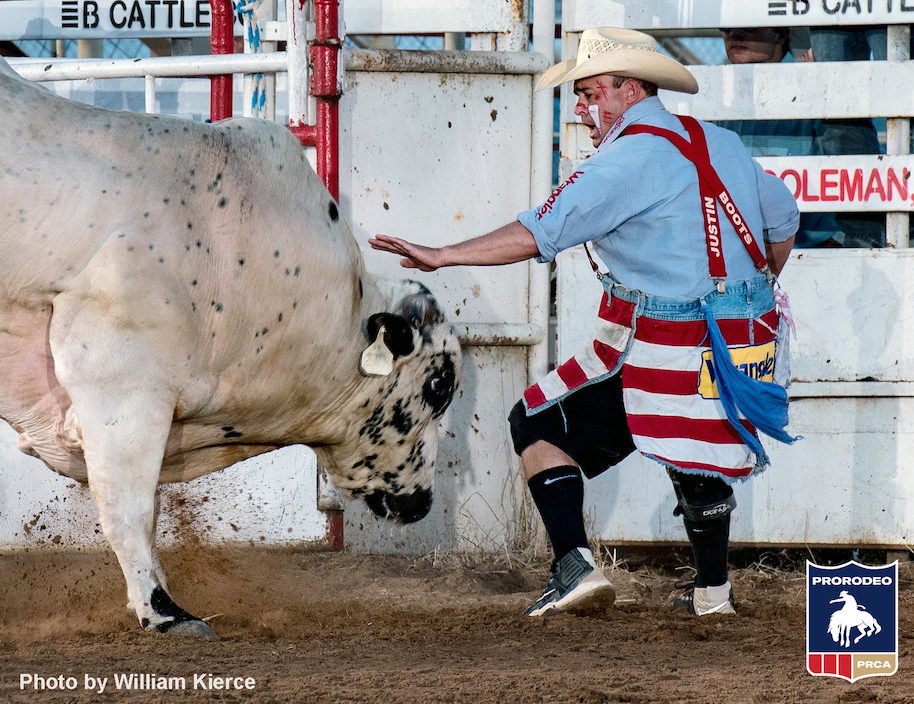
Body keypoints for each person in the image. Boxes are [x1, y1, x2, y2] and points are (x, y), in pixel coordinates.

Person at [370, 27, 799, 617]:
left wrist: (443, 255)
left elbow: (537, 232)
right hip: (737, 340)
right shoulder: (718, 141)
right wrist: (745, 289)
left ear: (629, 89)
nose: (580, 107)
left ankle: (574, 565)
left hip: (664, 340)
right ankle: (712, 593)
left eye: (591, 92)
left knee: (537, 420)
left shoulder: (622, 162)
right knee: (691, 446)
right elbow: (782, 216)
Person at [718, 27, 885, 248]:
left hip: (817, 247)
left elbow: (854, 162)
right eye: (726, 28)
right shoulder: (719, 96)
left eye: (748, 26)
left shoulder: (816, 87)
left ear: (781, 34)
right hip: (745, 248)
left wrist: (838, 241)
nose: (734, 34)